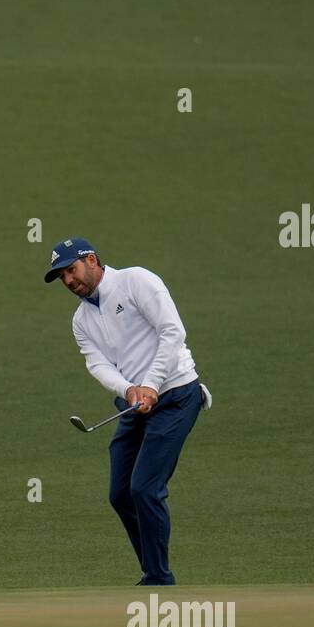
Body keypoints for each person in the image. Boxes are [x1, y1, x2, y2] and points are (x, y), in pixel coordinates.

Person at [43, 237, 210, 586]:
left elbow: (172, 331)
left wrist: (150, 383)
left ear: (91, 260)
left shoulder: (136, 281)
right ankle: (154, 572)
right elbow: (97, 364)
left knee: (145, 488)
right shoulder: (81, 320)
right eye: (61, 277)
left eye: (71, 270)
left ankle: (158, 578)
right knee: (121, 494)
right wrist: (129, 389)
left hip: (176, 395)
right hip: (136, 405)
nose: (68, 281)